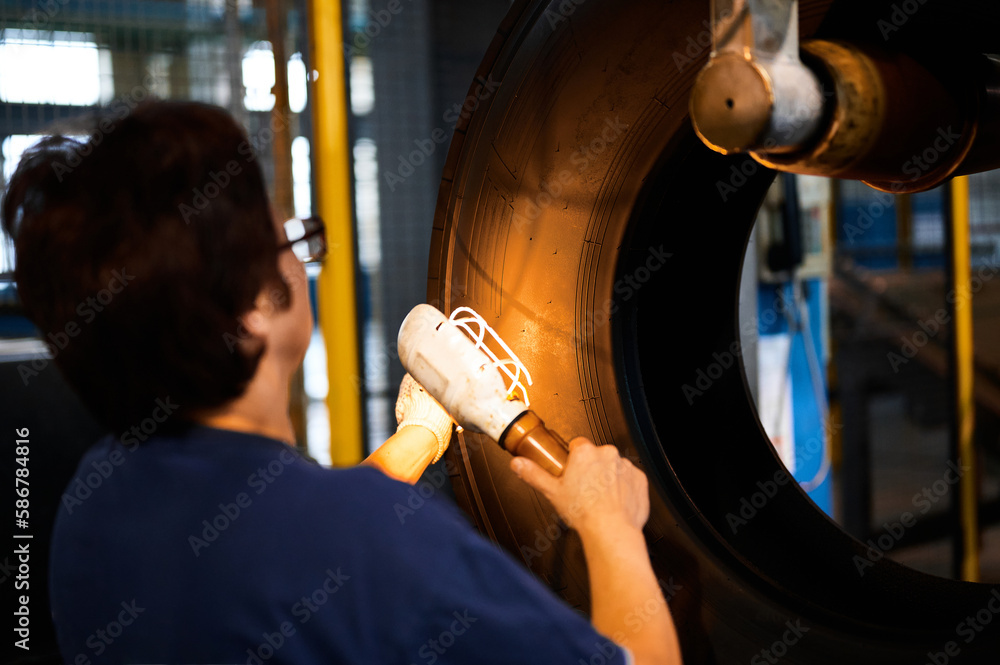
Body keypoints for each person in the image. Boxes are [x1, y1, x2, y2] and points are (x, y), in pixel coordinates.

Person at [3, 100, 681, 664]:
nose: (302, 259)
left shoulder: (92, 506)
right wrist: (608, 523)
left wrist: (416, 440)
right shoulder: (373, 537)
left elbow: (290, 555)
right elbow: (340, 550)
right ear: (252, 310)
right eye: (290, 240)